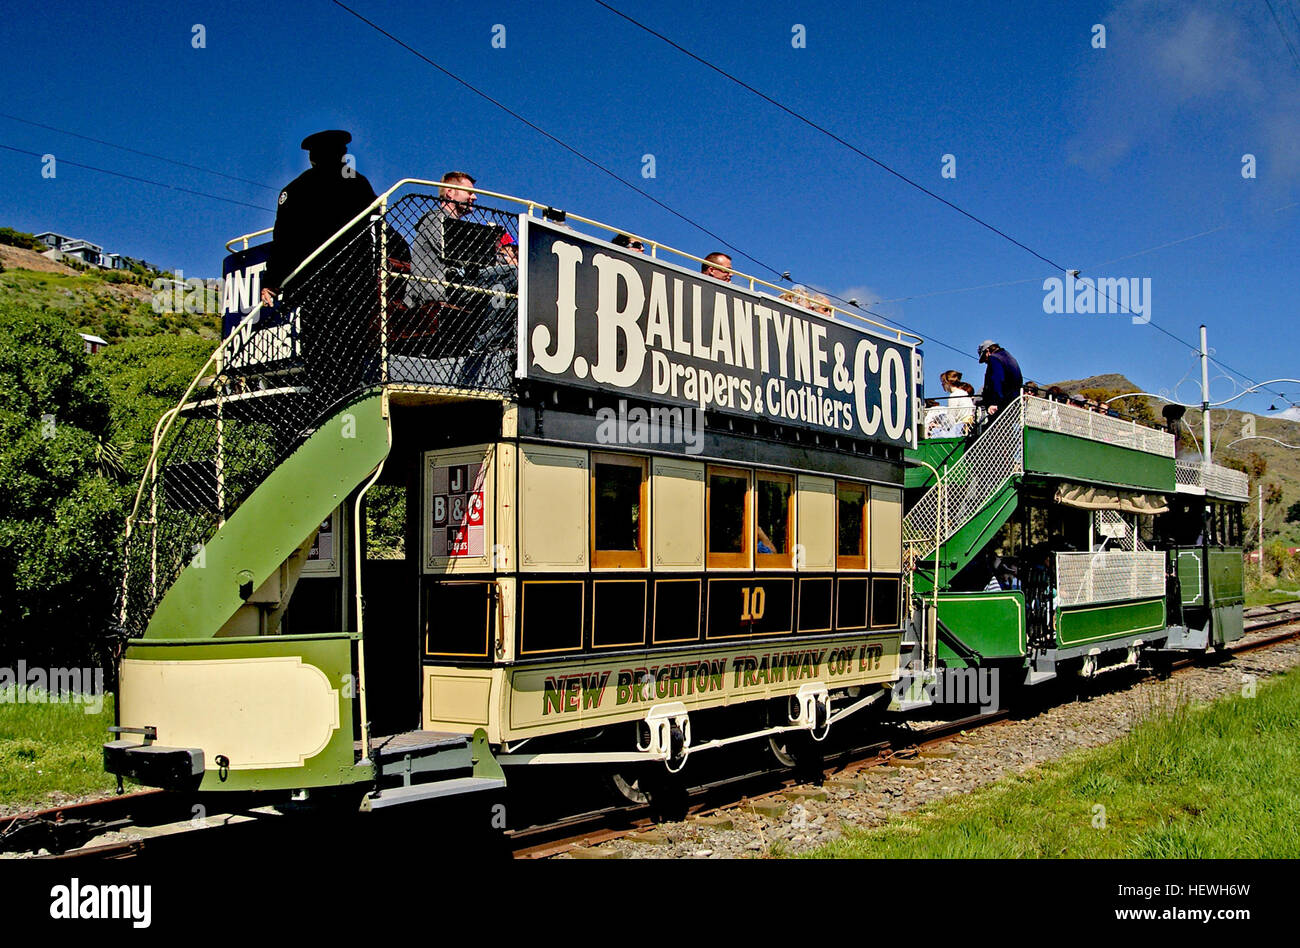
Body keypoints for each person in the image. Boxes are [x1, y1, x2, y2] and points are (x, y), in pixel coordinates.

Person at [260, 130, 377, 308]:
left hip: (312, 282)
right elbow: (378, 223)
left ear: (312, 157)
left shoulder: (296, 189)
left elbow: (283, 239)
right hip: (355, 279)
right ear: (342, 153)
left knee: (316, 333)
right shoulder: (358, 183)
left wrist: (271, 280)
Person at [977, 340, 1023, 417]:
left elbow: (997, 380)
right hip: (1013, 403)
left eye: (984, 357)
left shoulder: (994, 358)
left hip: (999, 407)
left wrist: (994, 402)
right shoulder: (1009, 357)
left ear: (988, 351)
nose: (985, 361)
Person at [934, 369, 976, 436]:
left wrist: (938, 425)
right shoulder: (963, 393)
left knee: (934, 432)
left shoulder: (954, 396)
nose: (942, 385)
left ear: (948, 383)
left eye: (943, 382)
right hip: (966, 426)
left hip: (959, 428)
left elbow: (951, 418)